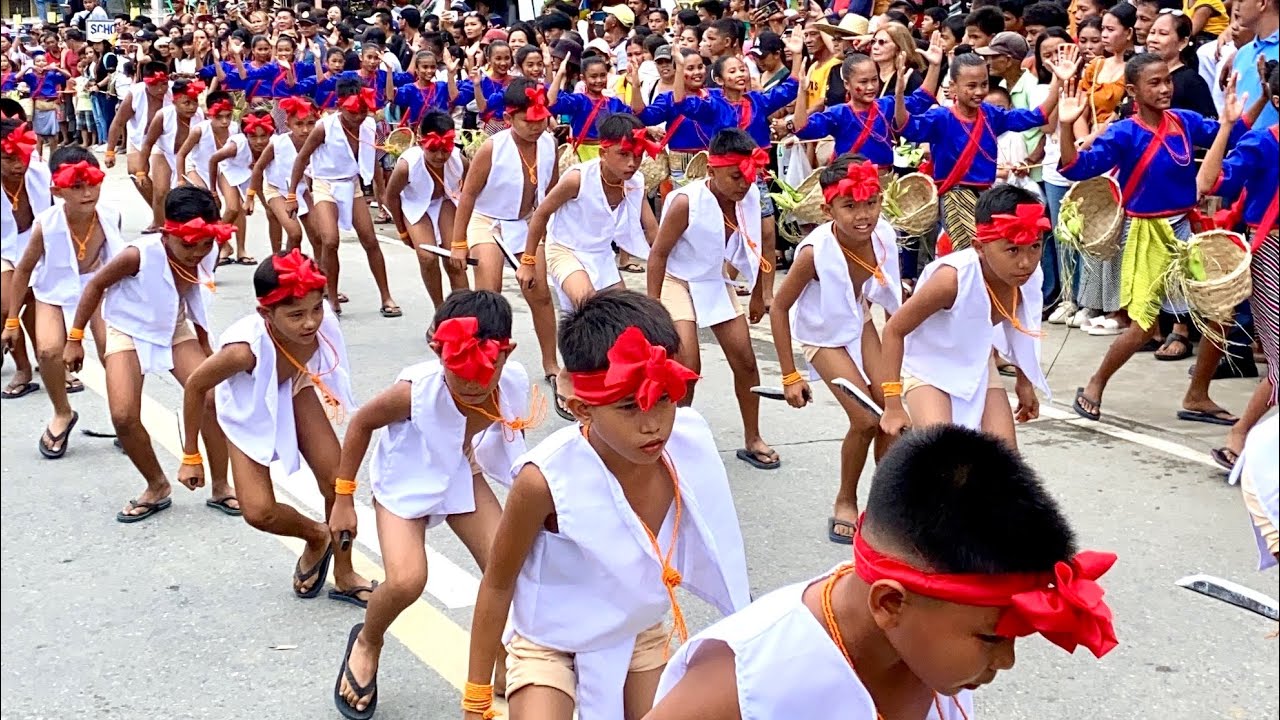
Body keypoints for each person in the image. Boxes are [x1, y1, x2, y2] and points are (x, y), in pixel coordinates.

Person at [646, 424, 1118, 719]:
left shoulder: (921, 649)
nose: (1007, 661)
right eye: (993, 637)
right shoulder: (740, 686)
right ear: (890, 602)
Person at [460, 289, 750, 720]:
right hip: (550, 643)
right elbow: (499, 583)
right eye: (630, 407)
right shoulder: (543, 480)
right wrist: (476, 697)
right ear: (582, 408)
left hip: (639, 632)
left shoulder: (690, 445)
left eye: (664, 399)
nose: (652, 424)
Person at [330, 290, 535, 718]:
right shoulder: (414, 391)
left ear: (505, 354)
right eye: (460, 375)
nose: (474, 386)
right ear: (436, 350)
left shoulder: (512, 381)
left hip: (460, 473)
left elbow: (510, 447)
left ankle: (501, 658)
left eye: (486, 374)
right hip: (405, 481)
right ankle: (368, 640)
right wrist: (343, 497)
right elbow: (363, 422)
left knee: (510, 567)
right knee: (407, 580)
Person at [176, 249, 375, 606]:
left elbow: (313, 334)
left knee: (337, 482)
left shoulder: (320, 321)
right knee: (258, 512)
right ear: (265, 313)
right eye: (296, 315)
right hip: (248, 407)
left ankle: (344, 574)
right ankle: (316, 535)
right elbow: (195, 386)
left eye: (316, 309)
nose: (311, 323)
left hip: (295, 386)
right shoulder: (242, 351)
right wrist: (191, 453)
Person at [1059, 54, 1244, 426]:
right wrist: (1065, 127)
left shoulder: (1186, 121)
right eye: (1154, 83)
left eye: (1166, 81)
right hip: (1146, 233)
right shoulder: (1123, 132)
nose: (1164, 89)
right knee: (1143, 324)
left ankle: (1198, 395)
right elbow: (1076, 167)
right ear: (1132, 90)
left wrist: (1242, 110)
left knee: (1220, 314)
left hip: (1186, 230)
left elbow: (1234, 132)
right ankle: (1094, 385)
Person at [63, 186, 237, 522]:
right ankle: (156, 485)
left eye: (205, 244)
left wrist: (204, 344)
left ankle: (221, 485)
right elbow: (96, 286)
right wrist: (75, 337)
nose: (197, 252)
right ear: (165, 232)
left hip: (173, 327)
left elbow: (193, 298)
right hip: (127, 329)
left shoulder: (206, 250)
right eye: (189, 244)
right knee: (124, 415)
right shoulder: (137, 255)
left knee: (213, 400)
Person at [768, 155, 902, 544]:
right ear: (828, 209)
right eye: (850, 206)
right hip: (822, 337)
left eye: (871, 203)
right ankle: (846, 499)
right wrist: (790, 375)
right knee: (865, 420)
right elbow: (778, 308)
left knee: (891, 413)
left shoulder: (885, 237)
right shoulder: (814, 252)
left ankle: (885, 506)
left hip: (859, 324)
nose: (863, 216)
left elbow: (893, 300)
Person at [646, 128, 779, 470]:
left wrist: (762, 293)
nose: (742, 184)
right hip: (678, 279)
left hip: (715, 280)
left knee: (746, 361)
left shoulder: (750, 197)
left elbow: (765, 241)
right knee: (688, 364)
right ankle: (675, 440)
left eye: (747, 177)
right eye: (735, 176)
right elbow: (658, 255)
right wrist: (652, 307)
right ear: (712, 170)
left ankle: (753, 437)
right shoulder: (685, 202)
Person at [879, 184, 1051, 446]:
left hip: (978, 362)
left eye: (1035, 247)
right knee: (947, 457)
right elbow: (894, 330)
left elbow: (1021, 328)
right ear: (979, 247)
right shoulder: (951, 279)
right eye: (1013, 250)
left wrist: (1024, 383)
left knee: (1004, 463)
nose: (1026, 261)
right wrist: (892, 404)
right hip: (929, 367)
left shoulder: (1027, 275)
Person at [0, 148, 124, 459]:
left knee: (115, 349)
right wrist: (12, 320)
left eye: (92, 183)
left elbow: (118, 264)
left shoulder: (110, 215)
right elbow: (25, 270)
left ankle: (126, 417)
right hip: (52, 291)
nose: (87, 193)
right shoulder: (46, 223)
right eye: (76, 186)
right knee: (49, 350)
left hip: (96, 288)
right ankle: (62, 412)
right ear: (56, 190)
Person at [451, 78, 562, 414]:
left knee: (540, 292)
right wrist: (458, 243)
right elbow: (468, 195)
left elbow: (552, 191)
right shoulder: (492, 146)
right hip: (487, 221)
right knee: (491, 294)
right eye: (527, 120)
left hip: (526, 224)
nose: (535, 126)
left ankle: (550, 363)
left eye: (540, 120)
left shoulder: (548, 145)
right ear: (510, 117)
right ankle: (485, 363)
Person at [901, 49, 1075, 251]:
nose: (979, 92)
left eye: (983, 84)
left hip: (986, 195)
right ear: (953, 87)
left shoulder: (991, 114)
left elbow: (1037, 117)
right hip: (955, 196)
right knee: (972, 253)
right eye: (971, 86)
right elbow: (907, 127)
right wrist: (899, 94)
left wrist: (1058, 82)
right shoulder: (940, 117)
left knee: (987, 254)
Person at [1198, 67, 1279, 470]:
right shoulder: (1263, 143)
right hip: (1271, 255)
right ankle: (1241, 435)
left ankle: (1242, 436)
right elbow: (1210, 183)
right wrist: (1226, 127)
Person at [288, 77, 402, 318]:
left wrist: (381, 194)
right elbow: (301, 159)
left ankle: (386, 296)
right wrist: (291, 194)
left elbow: (375, 162)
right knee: (329, 240)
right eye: (352, 113)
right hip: (325, 185)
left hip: (352, 185)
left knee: (370, 240)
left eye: (362, 111)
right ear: (340, 107)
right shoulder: (324, 127)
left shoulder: (370, 126)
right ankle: (331, 295)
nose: (358, 117)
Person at [520, 113, 659, 311]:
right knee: (592, 310)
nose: (632, 163)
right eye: (624, 154)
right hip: (565, 250)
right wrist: (528, 261)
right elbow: (541, 213)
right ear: (603, 153)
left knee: (627, 316)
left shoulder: (635, 183)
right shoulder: (578, 179)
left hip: (602, 254)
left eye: (638, 156)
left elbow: (653, 232)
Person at [383, 110, 471, 313]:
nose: (440, 156)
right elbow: (392, 196)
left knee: (454, 259)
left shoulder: (460, 161)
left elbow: (470, 192)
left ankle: (465, 312)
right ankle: (440, 310)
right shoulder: (407, 166)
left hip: (446, 202)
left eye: (445, 150)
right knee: (427, 257)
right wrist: (402, 230)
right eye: (433, 150)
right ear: (421, 141)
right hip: (415, 206)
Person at [0, 119, 52, 401]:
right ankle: (22, 369)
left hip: (35, 242)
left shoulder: (39, 171)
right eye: (8, 159)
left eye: (21, 157)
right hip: (2, 246)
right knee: (7, 305)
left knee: (36, 302)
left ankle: (49, 363)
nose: (18, 165)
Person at [250, 96, 321, 256]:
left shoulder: (319, 142)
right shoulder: (278, 143)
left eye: (310, 124)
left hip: (301, 190)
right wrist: (250, 197)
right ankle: (289, 268)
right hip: (276, 190)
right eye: (299, 124)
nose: (305, 130)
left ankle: (319, 272)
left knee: (318, 236)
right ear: (288, 124)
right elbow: (258, 167)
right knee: (295, 233)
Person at [139, 78, 204, 231]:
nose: (192, 107)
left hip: (188, 157)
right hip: (163, 152)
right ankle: (159, 225)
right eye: (186, 103)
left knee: (193, 193)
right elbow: (147, 143)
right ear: (174, 101)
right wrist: (142, 171)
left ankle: (186, 225)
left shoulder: (200, 115)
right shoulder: (163, 115)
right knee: (161, 192)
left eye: (195, 102)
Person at [208, 109, 274, 260]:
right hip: (229, 170)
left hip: (253, 173)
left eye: (263, 136)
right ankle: (215, 243)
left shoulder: (274, 144)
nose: (259, 141)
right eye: (253, 136)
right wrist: (213, 191)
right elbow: (213, 160)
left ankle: (263, 253)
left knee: (271, 209)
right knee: (233, 208)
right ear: (246, 135)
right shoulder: (235, 146)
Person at [104, 62, 170, 211]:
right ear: (146, 83)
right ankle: (158, 214)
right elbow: (118, 123)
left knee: (161, 185)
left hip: (165, 140)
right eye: (155, 85)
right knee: (135, 172)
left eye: (164, 84)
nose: (160, 89)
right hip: (138, 137)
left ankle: (166, 215)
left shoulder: (175, 92)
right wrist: (110, 151)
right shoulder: (135, 93)